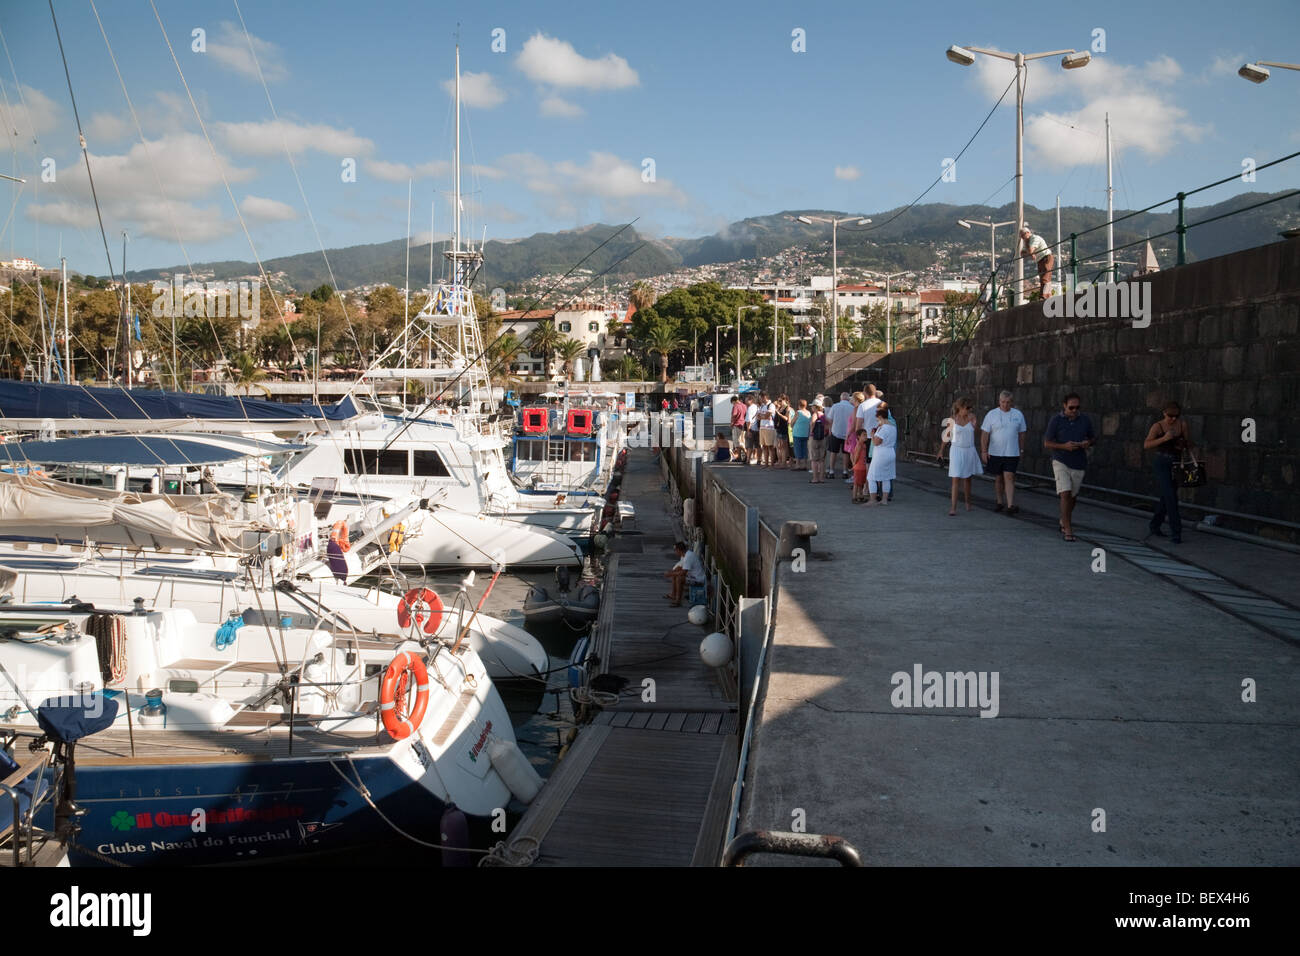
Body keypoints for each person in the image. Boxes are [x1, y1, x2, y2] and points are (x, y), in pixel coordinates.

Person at [1044, 392, 1097, 542]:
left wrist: (1088, 443)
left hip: (1079, 462)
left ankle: (1064, 518)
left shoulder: (1085, 420)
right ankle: (1068, 529)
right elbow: (1047, 443)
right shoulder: (1056, 420)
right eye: (1071, 407)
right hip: (1060, 460)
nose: (1074, 411)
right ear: (1064, 406)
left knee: (1072, 497)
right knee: (1065, 493)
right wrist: (1064, 446)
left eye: (1077, 408)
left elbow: (1093, 438)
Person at [1144, 401, 1192, 544]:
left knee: (1166, 497)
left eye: (1176, 416)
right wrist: (1164, 438)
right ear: (1164, 413)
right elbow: (1146, 444)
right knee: (1171, 496)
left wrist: (1183, 444)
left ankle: (1155, 525)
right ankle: (1176, 532)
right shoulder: (1158, 426)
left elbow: (1189, 443)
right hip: (1162, 462)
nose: (1173, 419)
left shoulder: (1182, 425)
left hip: (1176, 463)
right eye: (1170, 416)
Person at [980, 390, 1028, 515]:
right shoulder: (992, 414)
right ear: (999, 401)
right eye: (1003, 402)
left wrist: (1021, 449)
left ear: (1011, 402)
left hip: (1012, 452)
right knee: (998, 477)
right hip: (995, 452)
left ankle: (1010, 504)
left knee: (1009, 476)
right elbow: (985, 434)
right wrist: (984, 451)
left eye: (1008, 402)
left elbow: (1022, 434)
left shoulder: (1018, 414)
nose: (1005, 405)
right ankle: (1000, 501)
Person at [939, 397, 982, 515]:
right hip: (956, 450)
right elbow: (946, 436)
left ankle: (968, 502)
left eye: (970, 408)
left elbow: (976, 432)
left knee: (968, 479)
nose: (969, 410)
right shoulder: (952, 419)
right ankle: (953, 507)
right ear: (960, 407)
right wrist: (941, 451)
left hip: (969, 450)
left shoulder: (972, 418)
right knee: (955, 478)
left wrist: (974, 425)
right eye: (967, 408)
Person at [867, 404, 897, 505]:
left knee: (871, 477)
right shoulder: (893, 427)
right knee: (886, 477)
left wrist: (872, 436)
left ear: (880, 417)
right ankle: (884, 500)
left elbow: (876, 442)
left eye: (877, 419)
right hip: (890, 452)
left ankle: (873, 499)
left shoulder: (883, 428)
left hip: (881, 454)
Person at [664, 540, 706, 607]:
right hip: (692, 577)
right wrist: (672, 572)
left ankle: (678, 601)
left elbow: (683, 572)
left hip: (698, 580)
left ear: (679, 550)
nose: (675, 552)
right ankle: (673, 594)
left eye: (675, 550)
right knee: (676, 573)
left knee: (679, 579)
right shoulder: (685, 555)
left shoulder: (688, 557)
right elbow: (680, 567)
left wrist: (670, 574)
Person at [1020, 226, 1054, 299]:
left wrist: (1030, 253)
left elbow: (1031, 250)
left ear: (1028, 233)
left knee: (1045, 277)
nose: (1022, 238)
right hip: (1040, 260)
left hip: (1046, 257)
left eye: (1023, 235)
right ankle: (1048, 295)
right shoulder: (1027, 242)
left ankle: (1043, 296)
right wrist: (1030, 253)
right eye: (1021, 236)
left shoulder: (1035, 238)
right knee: (1044, 278)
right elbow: (1022, 253)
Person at [827, 391, 855, 479]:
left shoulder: (835, 406)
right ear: (848, 398)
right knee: (846, 453)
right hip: (847, 433)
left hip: (835, 432)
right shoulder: (852, 408)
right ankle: (845, 471)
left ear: (841, 398)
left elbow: (829, 419)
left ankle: (831, 471)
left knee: (833, 452)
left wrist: (830, 428)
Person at [808, 399, 828, 483]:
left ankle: (815, 478)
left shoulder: (815, 414)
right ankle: (821, 478)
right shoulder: (823, 415)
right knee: (822, 460)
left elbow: (812, 423)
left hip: (814, 438)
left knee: (814, 459)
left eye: (812, 406)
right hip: (822, 438)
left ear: (815, 407)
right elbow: (827, 426)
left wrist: (811, 432)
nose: (811, 407)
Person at [756, 391, 777, 467]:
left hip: (769, 428)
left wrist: (762, 416)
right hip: (762, 428)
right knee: (764, 446)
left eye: (761, 397)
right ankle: (766, 464)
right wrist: (763, 416)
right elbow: (758, 416)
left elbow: (767, 416)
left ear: (764, 397)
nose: (760, 399)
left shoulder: (771, 405)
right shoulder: (762, 406)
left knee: (770, 446)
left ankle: (772, 464)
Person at [791, 398, 811, 471]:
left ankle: (798, 465)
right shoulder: (809, 413)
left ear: (799, 405)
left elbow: (792, 422)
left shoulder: (798, 412)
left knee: (797, 449)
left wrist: (792, 426)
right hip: (805, 433)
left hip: (797, 433)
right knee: (805, 449)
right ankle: (805, 465)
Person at [850, 428, 869, 503]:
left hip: (863, 467)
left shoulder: (863, 444)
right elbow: (856, 455)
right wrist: (854, 463)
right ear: (858, 436)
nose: (866, 436)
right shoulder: (859, 445)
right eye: (864, 435)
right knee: (856, 483)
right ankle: (854, 497)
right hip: (859, 467)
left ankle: (860, 496)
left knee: (861, 483)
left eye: (866, 435)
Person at [773, 396, 791, 469]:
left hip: (784, 428)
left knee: (783, 446)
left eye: (780, 400)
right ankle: (780, 461)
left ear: (785, 400)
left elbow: (787, 419)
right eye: (778, 400)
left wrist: (779, 414)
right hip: (778, 428)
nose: (779, 402)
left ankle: (784, 463)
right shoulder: (780, 408)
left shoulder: (787, 408)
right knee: (779, 446)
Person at [744, 394, 760, 464]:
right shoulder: (757, 407)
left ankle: (748, 460)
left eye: (747, 400)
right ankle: (759, 459)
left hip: (751, 429)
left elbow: (748, 421)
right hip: (757, 428)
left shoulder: (750, 408)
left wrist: (748, 430)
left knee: (749, 446)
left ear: (751, 400)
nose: (745, 401)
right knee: (758, 445)